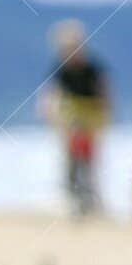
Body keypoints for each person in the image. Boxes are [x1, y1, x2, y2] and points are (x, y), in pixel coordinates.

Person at [41, 19, 109, 217]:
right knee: (70, 163)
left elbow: (104, 93)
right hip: (70, 121)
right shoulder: (60, 70)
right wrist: (52, 114)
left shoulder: (93, 69)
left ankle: (90, 200)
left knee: (89, 163)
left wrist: (102, 118)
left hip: (90, 121)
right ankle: (74, 199)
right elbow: (51, 95)